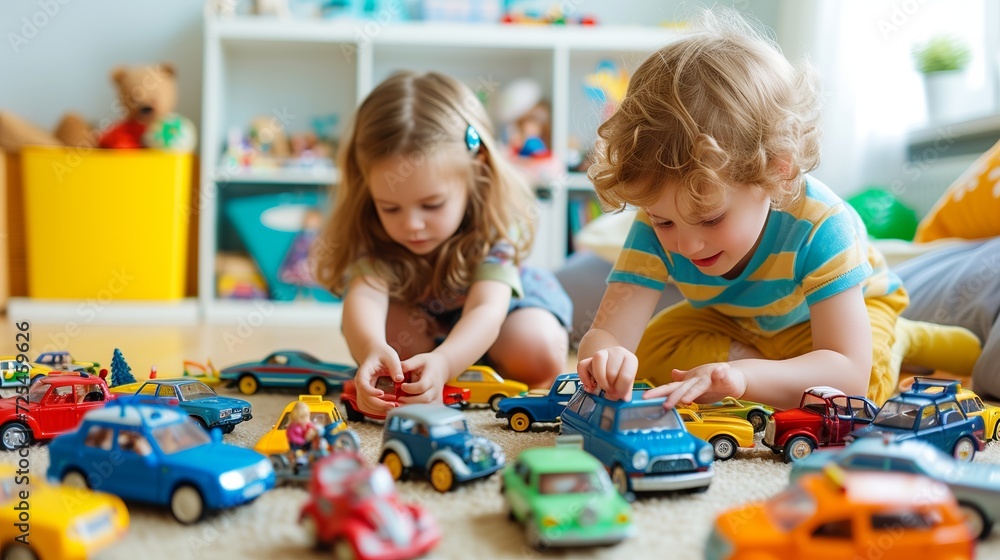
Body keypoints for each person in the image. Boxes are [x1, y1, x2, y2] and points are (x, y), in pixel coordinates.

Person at [576, 8, 981, 411]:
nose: (687, 243)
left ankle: (905, 336)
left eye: (712, 219)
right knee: (653, 353)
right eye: (664, 221)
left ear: (777, 172)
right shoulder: (655, 223)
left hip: (827, 323)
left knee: (855, 398)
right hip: (737, 322)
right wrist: (605, 355)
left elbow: (846, 371)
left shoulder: (820, 224)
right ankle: (780, 371)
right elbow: (608, 334)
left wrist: (744, 378)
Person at [314, 71, 572, 417]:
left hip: (502, 316)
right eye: (391, 207)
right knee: (394, 350)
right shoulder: (372, 225)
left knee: (537, 347)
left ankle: (471, 361)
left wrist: (447, 361)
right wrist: (372, 348)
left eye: (432, 205)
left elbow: (486, 308)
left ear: (476, 171)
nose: (412, 224)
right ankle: (430, 364)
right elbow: (364, 296)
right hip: (422, 321)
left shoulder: (492, 222)